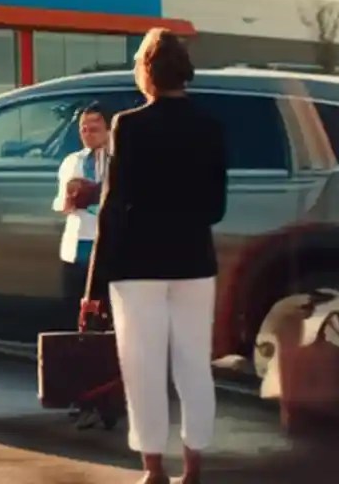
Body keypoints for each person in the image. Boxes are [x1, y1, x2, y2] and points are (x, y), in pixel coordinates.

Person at [85, 28, 228, 484]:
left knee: (143, 368)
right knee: (194, 367)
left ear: (145, 71)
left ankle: (154, 471)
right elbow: (215, 208)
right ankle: (194, 469)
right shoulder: (211, 126)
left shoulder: (128, 125)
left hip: (137, 266)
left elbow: (111, 206)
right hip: (193, 264)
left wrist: (93, 287)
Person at [52, 104, 110, 325]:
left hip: (104, 243)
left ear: (108, 130)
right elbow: (60, 204)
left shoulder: (118, 161)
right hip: (76, 244)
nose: (87, 134)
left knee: (104, 307)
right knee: (74, 307)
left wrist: (98, 194)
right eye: (83, 129)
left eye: (94, 128)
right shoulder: (72, 161)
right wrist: (70, 199)